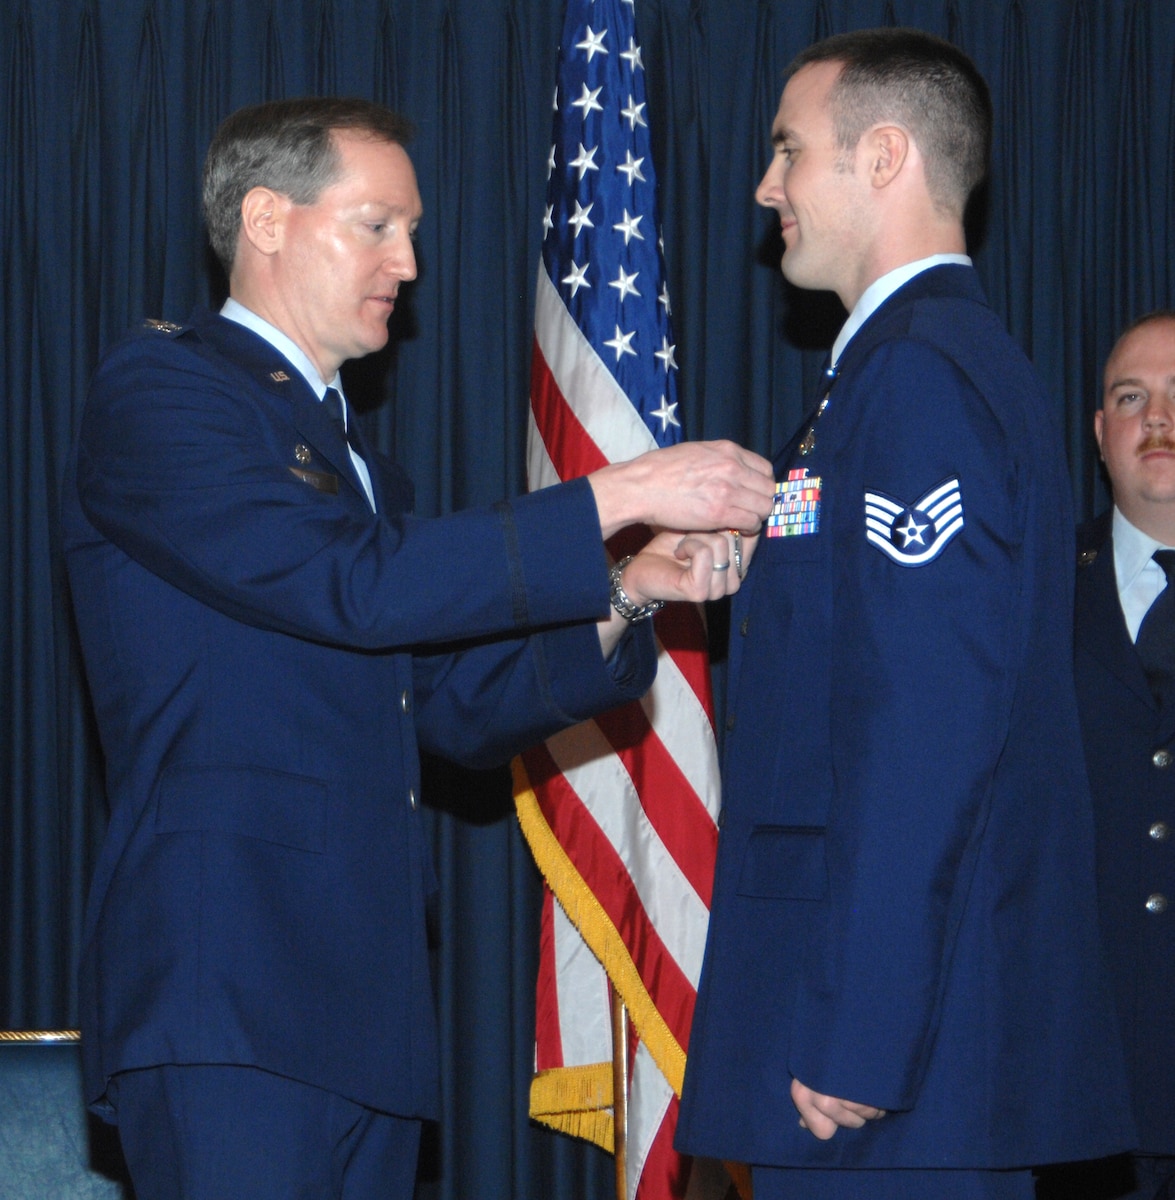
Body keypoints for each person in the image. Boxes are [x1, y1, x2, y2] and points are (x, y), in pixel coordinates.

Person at [62, 97, 775, 1200]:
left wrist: (630, 588)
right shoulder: (163, 391)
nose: (408, 261)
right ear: (265, 218)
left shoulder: (357, 467)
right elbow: (350, 587)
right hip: (226, 987)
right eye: (377, 224)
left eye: (411, 231)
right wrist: (620, 492)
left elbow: (448, 709)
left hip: (364, 1012)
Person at [675, 28, 1135, 1200]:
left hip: (882, 1059)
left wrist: (863, 1026)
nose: (764, 186)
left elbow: (923, 728)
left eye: (787, 151)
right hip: (887, 1036)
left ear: (881, 157)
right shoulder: (887, 373)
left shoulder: (918, 378)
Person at [1037, 312, 1175, 1200]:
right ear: (1099, 432)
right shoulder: (1028, 585)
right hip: (1075, 1083)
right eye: (1132, 398)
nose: (1156, 420)